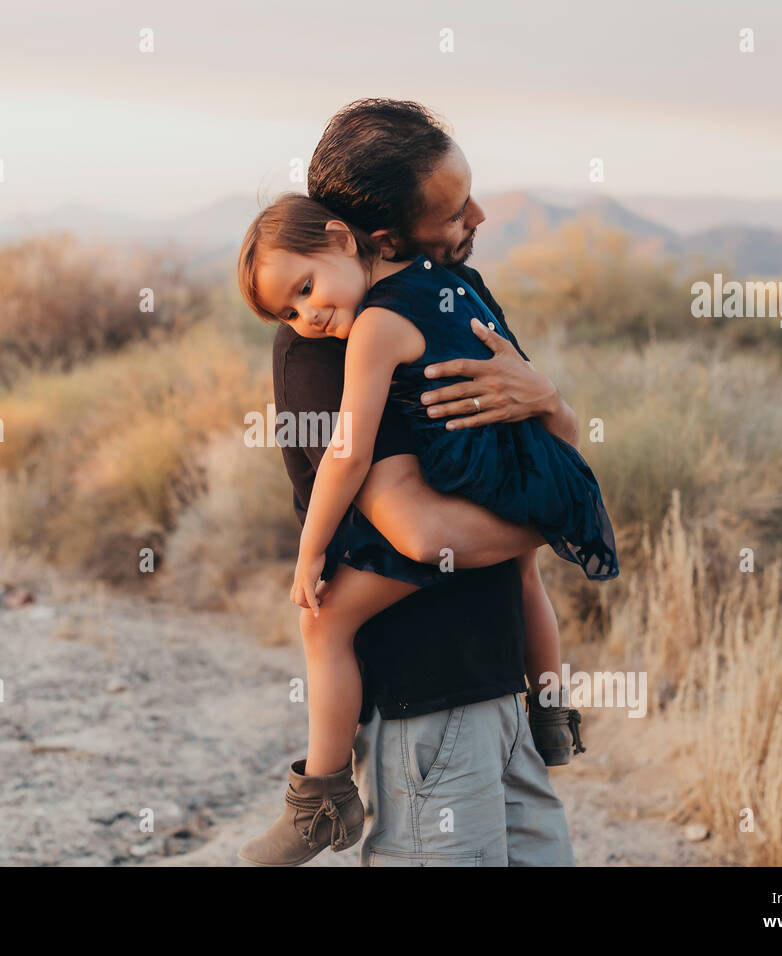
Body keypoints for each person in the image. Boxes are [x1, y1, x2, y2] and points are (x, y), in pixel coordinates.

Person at [240, 99, 599, 867]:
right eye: (449, 208)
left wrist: (552, 405)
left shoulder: (448, 293)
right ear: (378, 238)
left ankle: (548, 711)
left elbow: (542, 440)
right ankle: (322, 797)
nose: (477, 214)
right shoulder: (329, 346)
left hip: (494, 688)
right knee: (324, 618)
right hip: (431, 707)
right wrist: (562, 513)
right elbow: (423, 534)